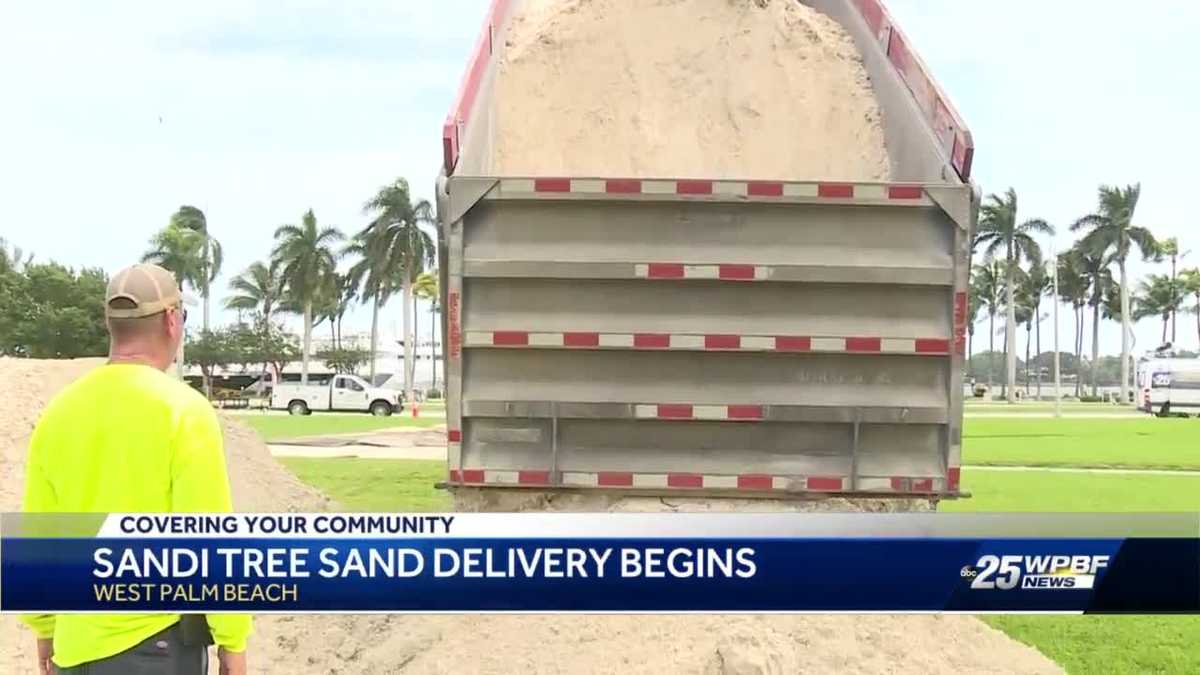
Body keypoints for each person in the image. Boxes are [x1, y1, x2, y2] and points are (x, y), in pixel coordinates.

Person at [21, 263, 251, 675]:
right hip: (157, 647)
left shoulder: (58, 415)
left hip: (74, 649)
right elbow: (208, 539)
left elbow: (39, 539)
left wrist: (45, 629)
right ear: (171, 320)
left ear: (111, 326)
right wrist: (232, 642)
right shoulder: (183, 412)